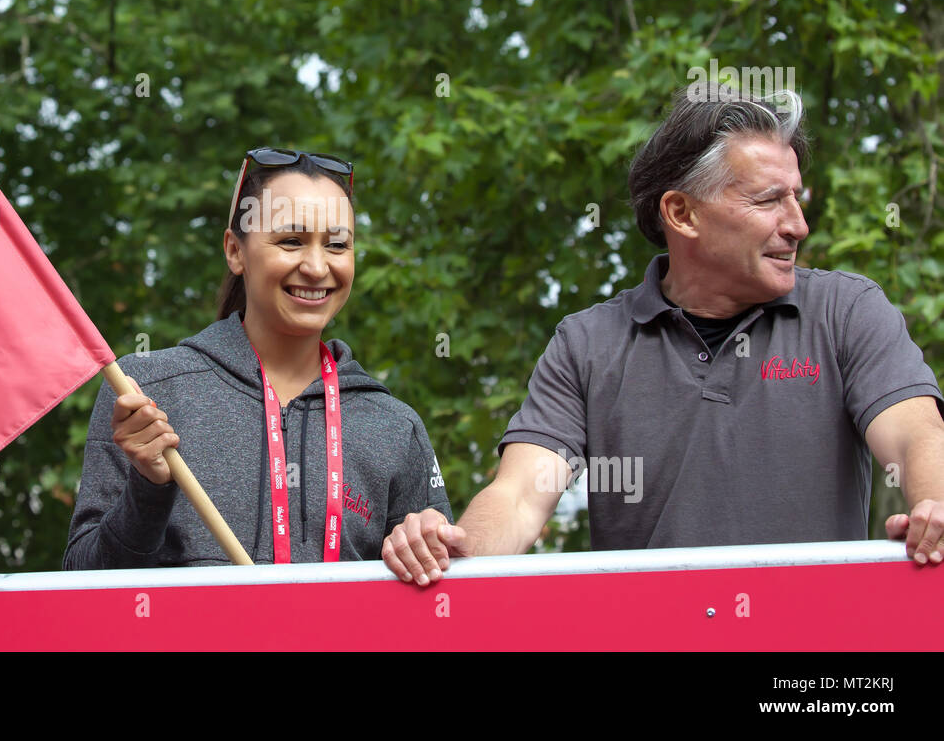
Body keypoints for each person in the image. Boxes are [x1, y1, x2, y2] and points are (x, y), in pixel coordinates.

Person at [383, 85, 944, 586]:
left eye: (797, 197)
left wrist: (937, 505)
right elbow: (522, 496)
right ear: (682, 213)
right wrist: (454, 549)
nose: (797, 224)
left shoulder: (849, 310)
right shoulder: (586, 343)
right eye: (769, 200)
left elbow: (916, 435)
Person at [63, 148, 453, 568]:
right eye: (291, 241)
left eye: (337, 244)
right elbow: (82, 582)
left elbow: (440, 602)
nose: (318, 266)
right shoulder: (146, 394)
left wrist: (427, 546)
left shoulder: (394, 425)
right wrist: (148, 490)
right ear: (235, 251)